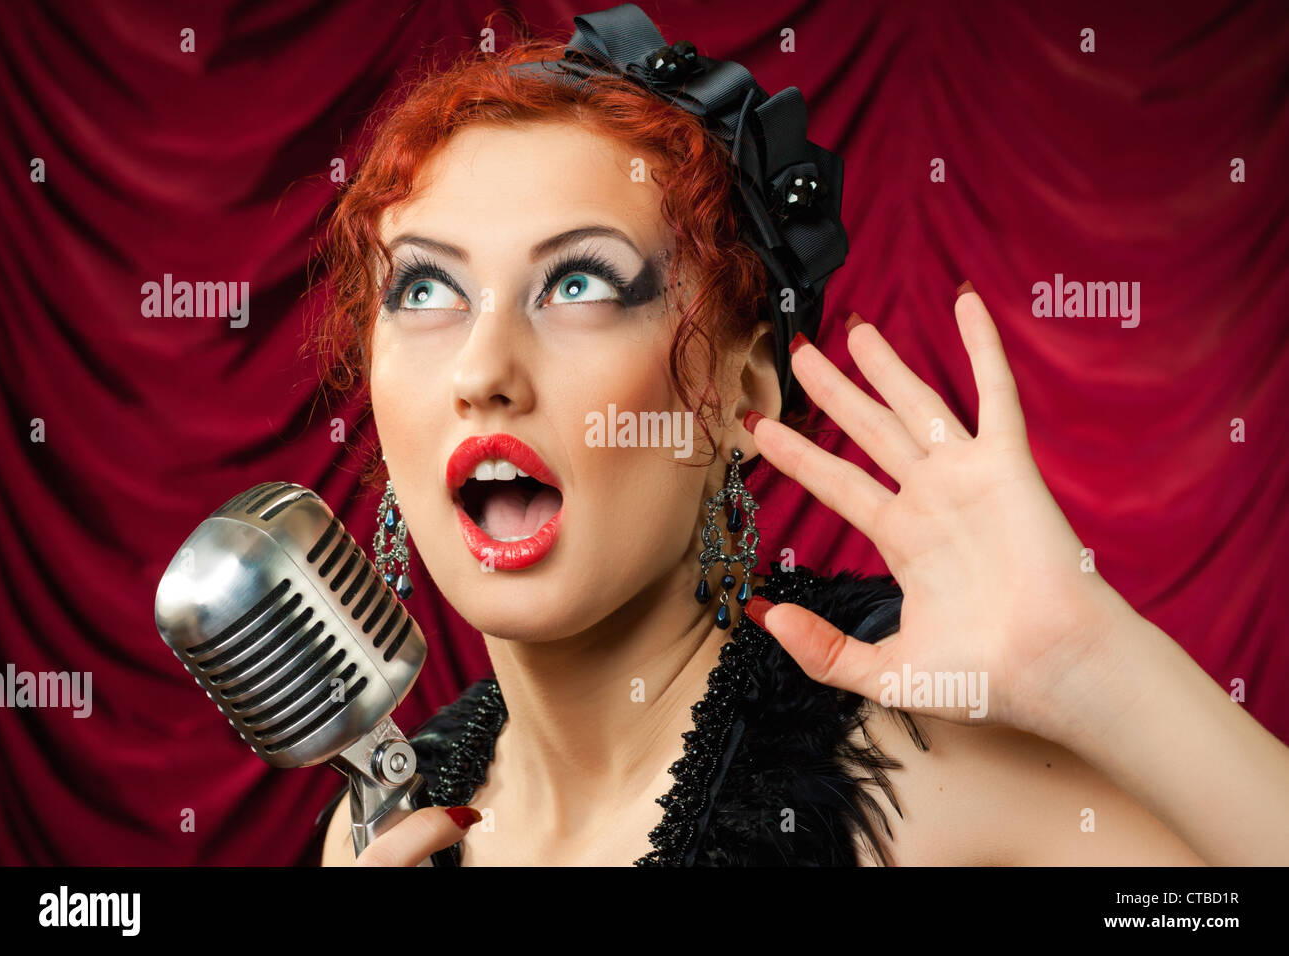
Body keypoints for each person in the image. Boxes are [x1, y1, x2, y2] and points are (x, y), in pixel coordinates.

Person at [313, 4, 1289, 866]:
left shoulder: (919, 769)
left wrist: (1091, 664)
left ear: (743, 390)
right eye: (426, 289)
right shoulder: (386, 820)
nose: (484, 371)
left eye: (579, 286)